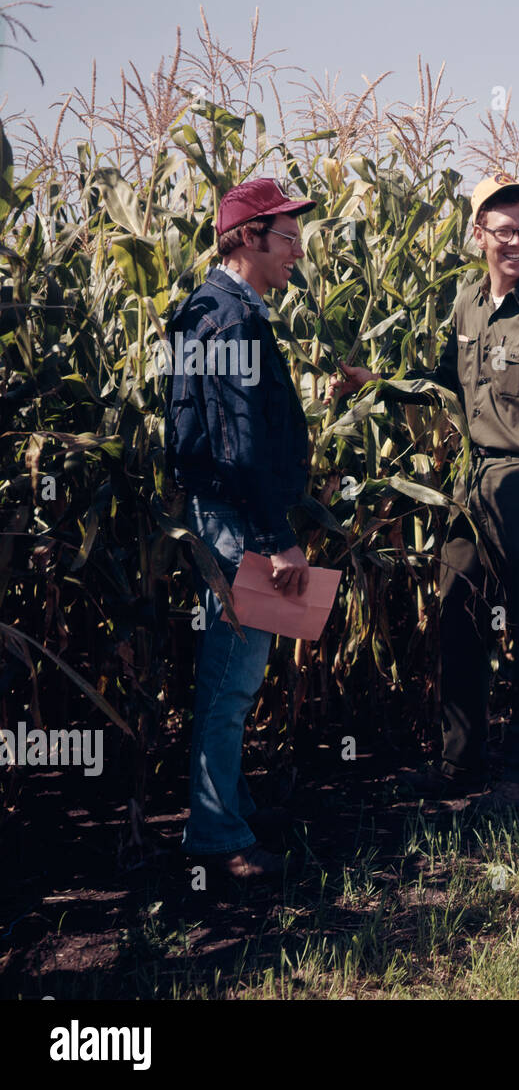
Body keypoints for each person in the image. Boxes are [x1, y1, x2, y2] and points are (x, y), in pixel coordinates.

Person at [330, 171, 519, 806]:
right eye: (505, 231)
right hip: (472, 485)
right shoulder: (466, 305)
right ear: (478, 234)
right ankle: (461, 765)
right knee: (458, 615)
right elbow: (446, 382)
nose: (518, 242)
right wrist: (379, 383)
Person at [165, 177, 315, 878]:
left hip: (229, 516)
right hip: (236, 524)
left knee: (236, 672)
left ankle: (233, 805)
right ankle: (216, 836)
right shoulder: (228, 317)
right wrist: (273, 533)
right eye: (288, 238)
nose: (297, 253)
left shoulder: (217, 309)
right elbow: (233, 441)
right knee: (231, 678)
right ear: (250, 237)